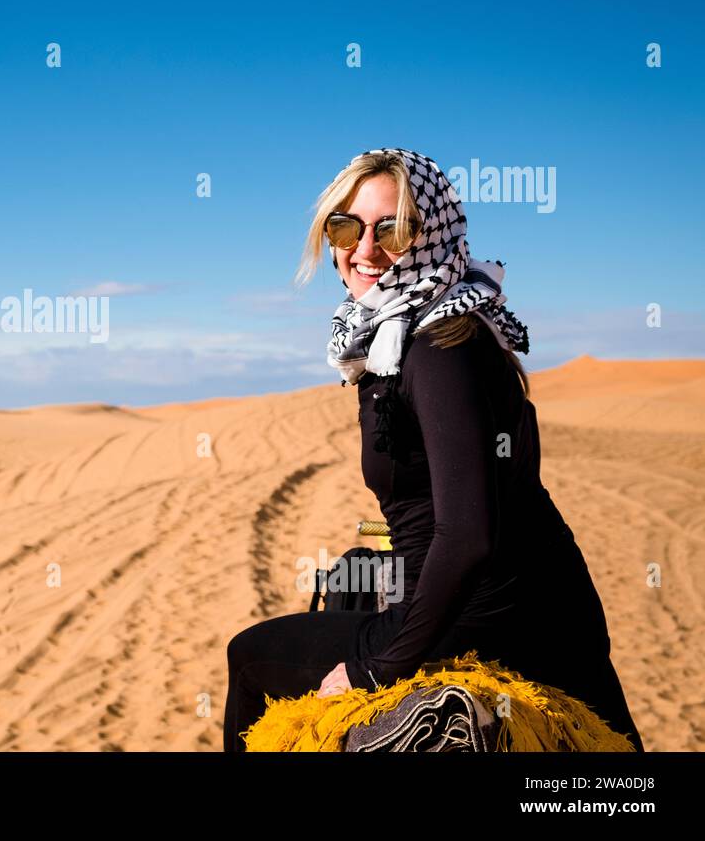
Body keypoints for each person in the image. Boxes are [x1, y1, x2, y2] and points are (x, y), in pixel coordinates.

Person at [222, 147, 644, 752]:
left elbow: (468, 536)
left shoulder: (437, 347)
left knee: (252, 657)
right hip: (513, 601)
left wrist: (378, 667)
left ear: (432, 237)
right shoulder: (411, 336)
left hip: (479, 616)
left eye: (391, 229)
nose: (364, 250)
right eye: (346, 227)